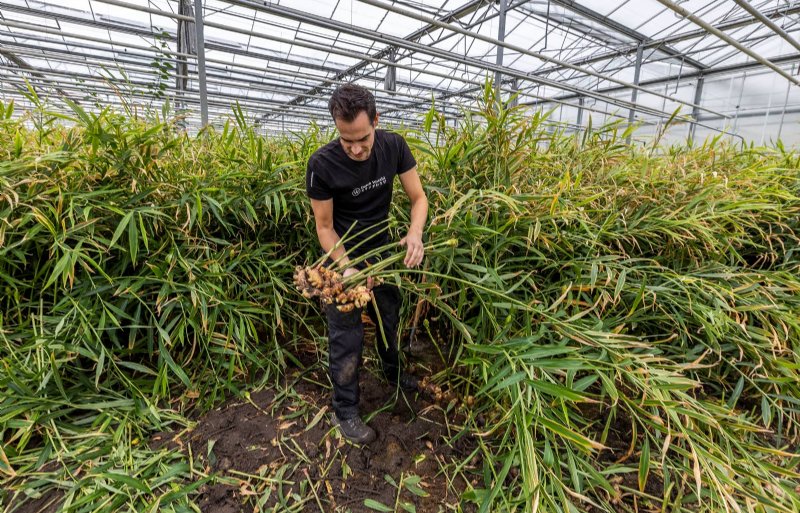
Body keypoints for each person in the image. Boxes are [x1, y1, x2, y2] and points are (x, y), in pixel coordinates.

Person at [305, 83, 428, 444]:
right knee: (347, 336)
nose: (356, 149)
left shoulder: (394, 146)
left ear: (376, 120)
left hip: (382, 253)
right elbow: (324, 228)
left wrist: (415, 233)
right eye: (347, 141)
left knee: (389, 317)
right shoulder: (322, 164)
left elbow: (418, 198)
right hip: (343, 258)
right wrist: (347, 268)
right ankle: (345, 410)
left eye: (363, 138)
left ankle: (393, 373)